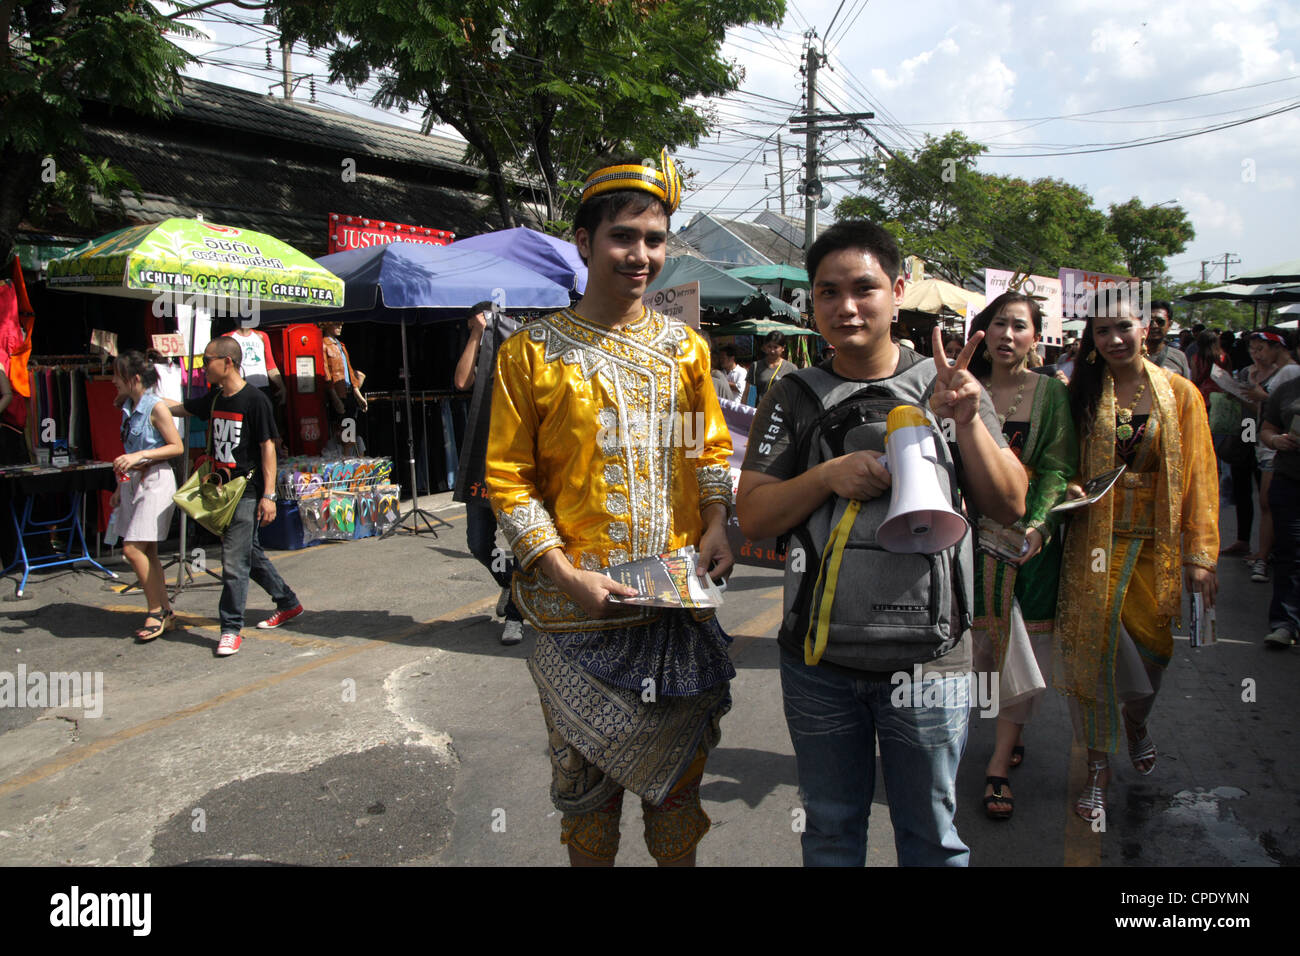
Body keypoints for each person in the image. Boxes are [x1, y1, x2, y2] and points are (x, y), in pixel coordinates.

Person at [736, 220, 1027, 866]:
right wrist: (826, 475)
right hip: (818, 667)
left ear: (898, 293)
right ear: (811, 303)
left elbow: (1011, 502)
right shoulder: (793, 393)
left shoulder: (946, 383)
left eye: (864, 288)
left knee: (930, 839)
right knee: (833, 835)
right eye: (827, 292)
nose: (846, 306)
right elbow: (753, 515)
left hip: (930, 665)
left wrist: (968, 420)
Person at [486, 150, 735, 867]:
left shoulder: (686, 350)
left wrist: (718, 524)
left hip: (673, 612)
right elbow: (507, 478)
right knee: (587, 807)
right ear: (584, 242)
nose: (641, 255)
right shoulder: (530, 354)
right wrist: (566, 576)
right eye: (624, 237)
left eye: (655, 240)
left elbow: (707, 450)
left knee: (679, 802)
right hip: (574, 617)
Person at [1056, 297, 1217, 821]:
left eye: (1123, 326)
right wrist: (1072, 486)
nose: (1113, 339)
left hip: (1156, 548)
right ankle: (1098, 768)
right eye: (1102, 331)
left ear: (1144, 328)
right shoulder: (1080, 392)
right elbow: (1061, 462)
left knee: (1152, 658)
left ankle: (1138, 722)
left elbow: (1199, 475)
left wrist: (1202, 554)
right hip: (1094, 543)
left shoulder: (1180, 394)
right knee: (1094, 658)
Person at [966, 293, 1078, 820]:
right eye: (997, 324)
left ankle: (997, 767)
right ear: (982, 331)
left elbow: (1057, 467)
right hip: (962, 540)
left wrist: (1038, 527)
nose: (1006, 335)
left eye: (1019, 326)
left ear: (1036, 337)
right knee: (974, 652)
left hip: (1023, 544)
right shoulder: (963, 385)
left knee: (1018, 651)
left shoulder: (1051, 394)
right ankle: (984, 733)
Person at [164, 337, 304, 657]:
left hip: (246, 491)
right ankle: (288, 602)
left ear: (227, 362)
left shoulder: (255, 401)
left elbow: (268, 448)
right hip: (219, 491)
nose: (202, 367)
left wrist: (269, 496)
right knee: (248, 554)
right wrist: (151, 405)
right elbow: (184, 408)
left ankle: (230, 628)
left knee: (233, 561)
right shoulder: (215, 398)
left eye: (207, 361)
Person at [452, 300, 526, 646]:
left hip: (513, 463)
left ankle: (516, 615)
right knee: (478, 542)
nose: (472, 330)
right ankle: (510, 585)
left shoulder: (518, 344)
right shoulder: (480, 344)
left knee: (521, 543)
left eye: (472, 325)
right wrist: (477, 335)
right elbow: (461, 381)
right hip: (481, 460)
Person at [110, 351, 186, 641]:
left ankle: (156, 610)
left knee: (131, 549)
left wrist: (141, 454)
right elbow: (129, 449)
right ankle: (165, 610)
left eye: (117, 375)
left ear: (135, 378)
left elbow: (176, 447)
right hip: (134, 483)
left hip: (157, 479)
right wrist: (120, 487)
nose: (113, 380)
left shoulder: (156, 408)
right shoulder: (128, 407)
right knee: (148, 551)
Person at [1243, 331, 1299, 583]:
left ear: (1278, 347)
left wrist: (1260, 396)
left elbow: (1273, 409)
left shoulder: (1289, 374)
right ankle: (1259, 551)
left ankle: (1263, 557)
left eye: (1261, 349)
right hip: (1258, 438)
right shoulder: (1255, 371)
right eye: (1252, 349)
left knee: (1267, 501)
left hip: (1276, 451)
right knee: (1261, 497)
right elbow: (1260, 416)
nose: (1256, 354)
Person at [1260, 369, 1300, 647]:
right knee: (1290, 554)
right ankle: (1284, 623)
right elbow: (1266, 428)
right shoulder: (1287, 390)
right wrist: (1275, 441)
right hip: (1291, 481)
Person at [320, 321, 368, 454]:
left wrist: (357, 393)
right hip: (338, 394)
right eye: (336, 324)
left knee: (351, 430)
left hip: (347, 394)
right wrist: (335, 398)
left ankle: (351, 458)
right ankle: (346, 461)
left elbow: (349, 371)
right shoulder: (324, 345)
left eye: (341, 324)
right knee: (344, 432)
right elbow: (326, 374)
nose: (340, 326)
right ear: (327, 325)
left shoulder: (340, 345)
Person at [1145, 301, 1190, 379]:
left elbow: (1186, 389)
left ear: (1169, 325)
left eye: (1160, 322)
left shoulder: (1179, 357)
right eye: (1149, 321)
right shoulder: (1130, 356)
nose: (1154, 326)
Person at [754, 330, 797, 401]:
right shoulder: (756, 366)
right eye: (769, 346)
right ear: (765, 347)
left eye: (775, 347)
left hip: (783, 410)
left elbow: (795, 394)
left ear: (783, 348)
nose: (772, 351)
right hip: (762, 410)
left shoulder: (792, 368)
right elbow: (747, 392)